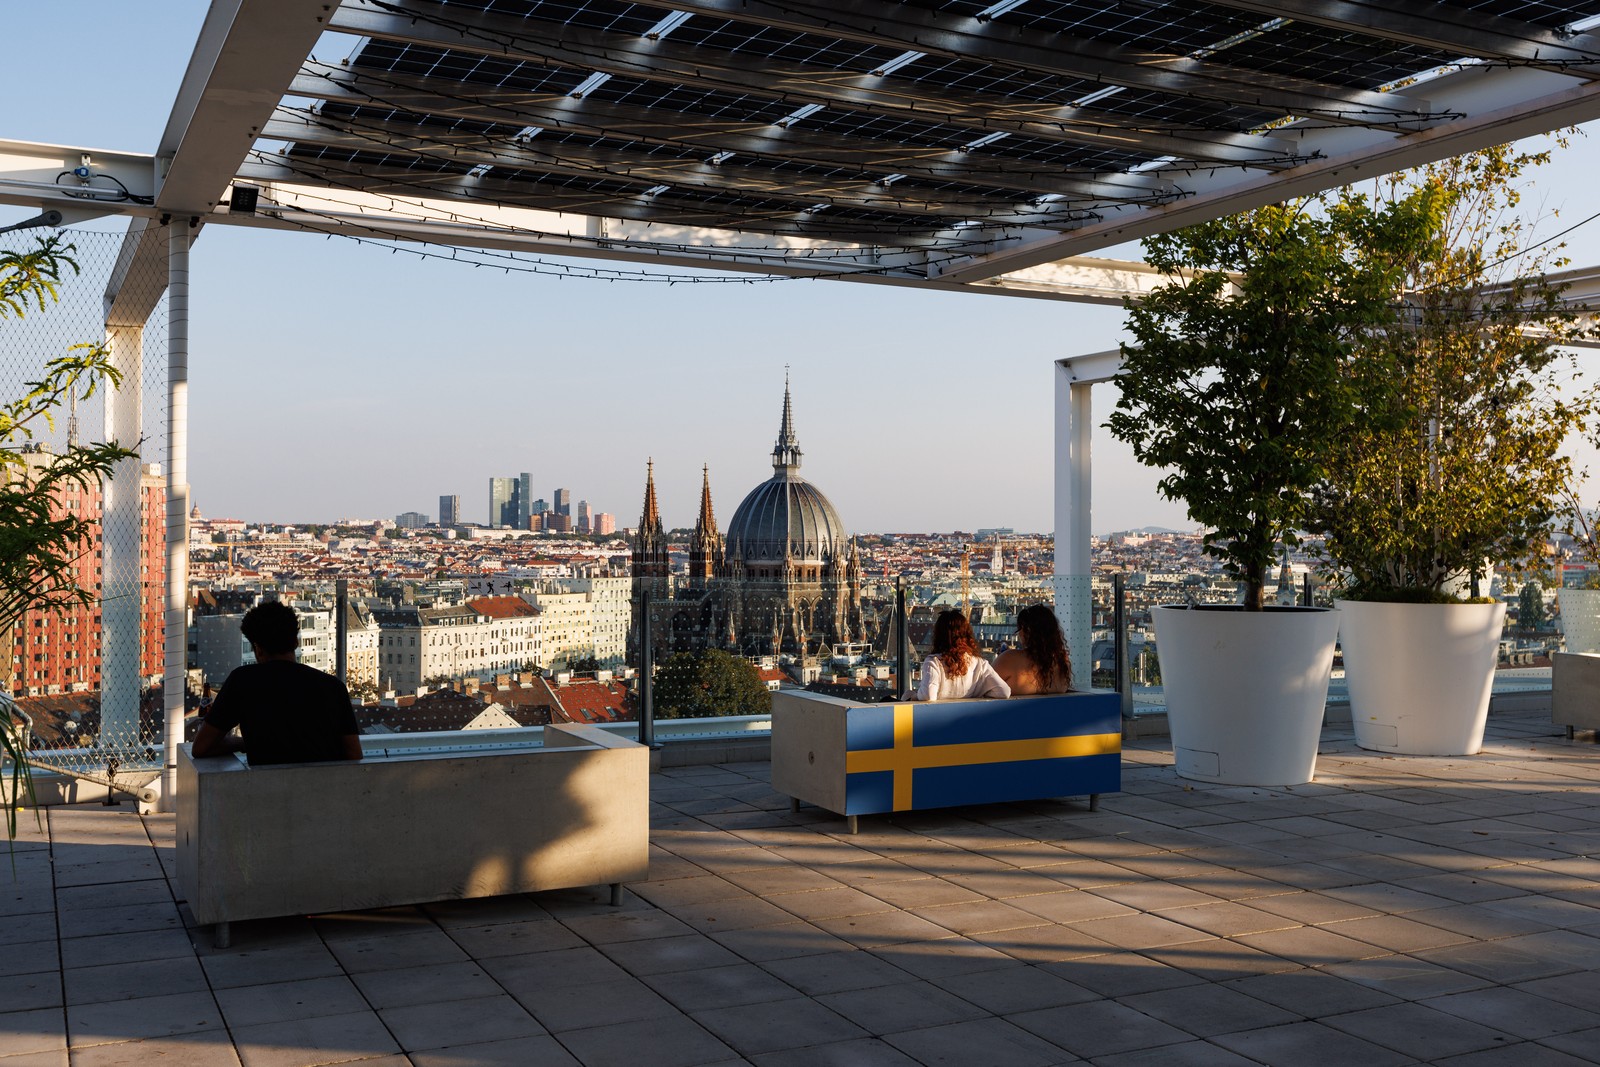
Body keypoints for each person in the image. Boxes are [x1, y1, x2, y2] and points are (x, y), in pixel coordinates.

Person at [191, 600, 362, 765]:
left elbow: (201, 747)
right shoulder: (333, 686)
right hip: (327, 791)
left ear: (257, 650)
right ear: (295, 642)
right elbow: (354, 754)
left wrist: (242, 743)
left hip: (268, 790)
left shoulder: (242, 682)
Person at [916, 610, 1010, 701]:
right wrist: (980, 694)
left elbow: (928, 696)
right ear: (967, 635)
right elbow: (1004, 691)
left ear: (938, 635)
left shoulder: (934, 662)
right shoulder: (980, 664)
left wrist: (913, 695)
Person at [995, 604, 1074, 695]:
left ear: (1026, 631)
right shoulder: (1062, 662)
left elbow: (981, 686)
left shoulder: (1010, 659)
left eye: (1020, 628)